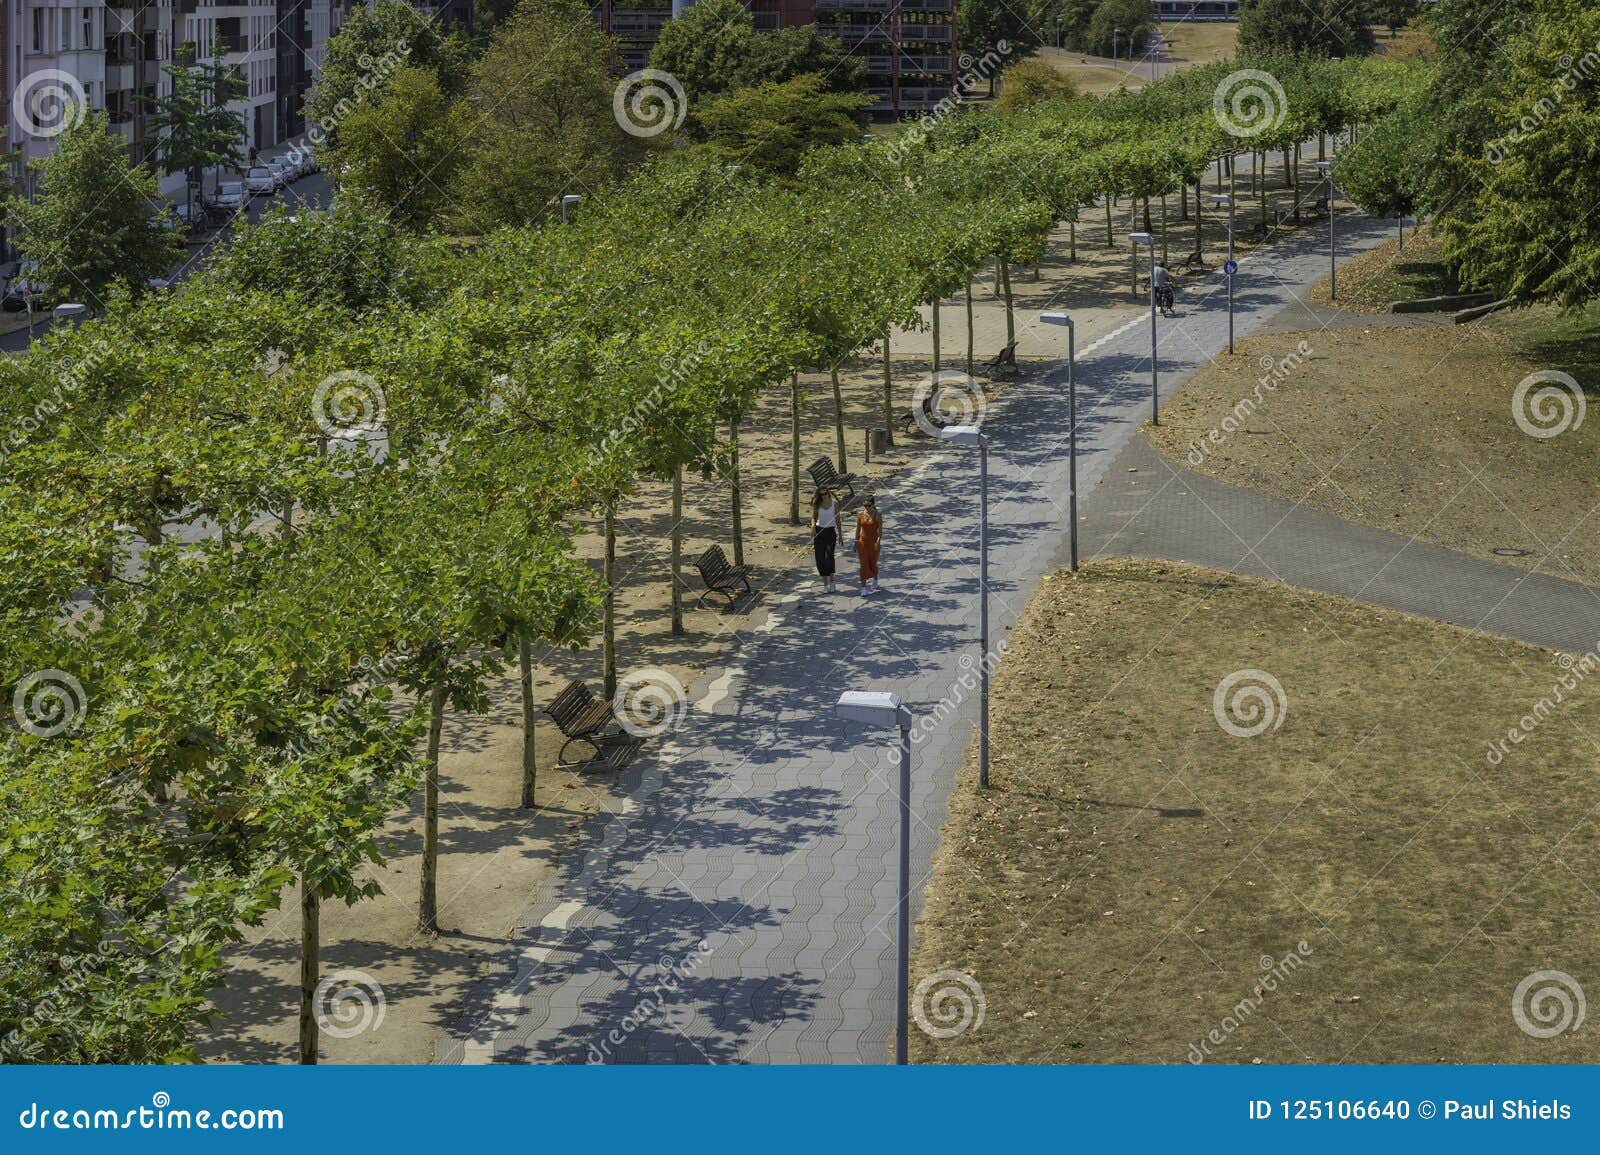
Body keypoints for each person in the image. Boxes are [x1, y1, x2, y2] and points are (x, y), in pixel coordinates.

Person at [811, 488, 840, 592]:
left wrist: (840, 535)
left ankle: (832, 581)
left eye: (825, 493)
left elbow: (838, 519)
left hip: (830, 532)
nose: (824, 496)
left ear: (828, 493)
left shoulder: (834, 504)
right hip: (819, 532)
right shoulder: (817, 504)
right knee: (820, 558)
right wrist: (813, 526)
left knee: (829, 557)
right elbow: (813, 517)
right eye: (821, 494)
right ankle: (825, 584)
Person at [854, 495, 882, 595]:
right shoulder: (860, 515)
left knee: (872, 563)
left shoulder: (877, 515)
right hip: (863, 543)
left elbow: (880, 531)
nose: (867, 507)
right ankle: (863, 588)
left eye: (869, 505)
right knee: (863, 565)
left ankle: (875, 579)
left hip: (873, 543)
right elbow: (858, 529)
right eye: (865, 505)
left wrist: (878, 541)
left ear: (873, 505)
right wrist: (855, 542)